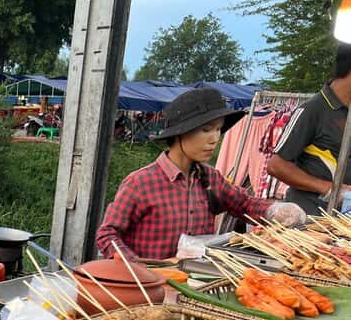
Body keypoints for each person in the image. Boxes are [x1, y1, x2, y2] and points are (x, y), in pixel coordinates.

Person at [96, 88, 306, 262]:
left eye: (218, 130)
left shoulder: (211, 178)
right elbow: (108, 234)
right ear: (180, 133)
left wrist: (274, 210)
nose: (215, 139)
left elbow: (245, 205)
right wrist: (132, 264)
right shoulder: (140, 183)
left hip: (196, 284)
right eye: (206, 130)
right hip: (149, 285)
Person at [267, 45, 351, 215]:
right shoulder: (312, 110)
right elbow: (276, 165)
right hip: (309, 220)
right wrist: (331, 189)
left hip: (342, 221)